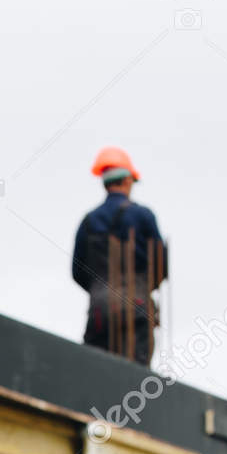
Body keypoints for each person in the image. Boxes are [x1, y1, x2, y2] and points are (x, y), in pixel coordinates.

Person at [72, 147, 167, 365]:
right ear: (126, 181)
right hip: (137, 304)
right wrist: (143, 286)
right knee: (135, 377)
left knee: (95, 371)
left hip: (100, 309)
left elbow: (77, 271)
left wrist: (100, 289)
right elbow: (161, 263)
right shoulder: (143, 216)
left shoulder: (88, 221)